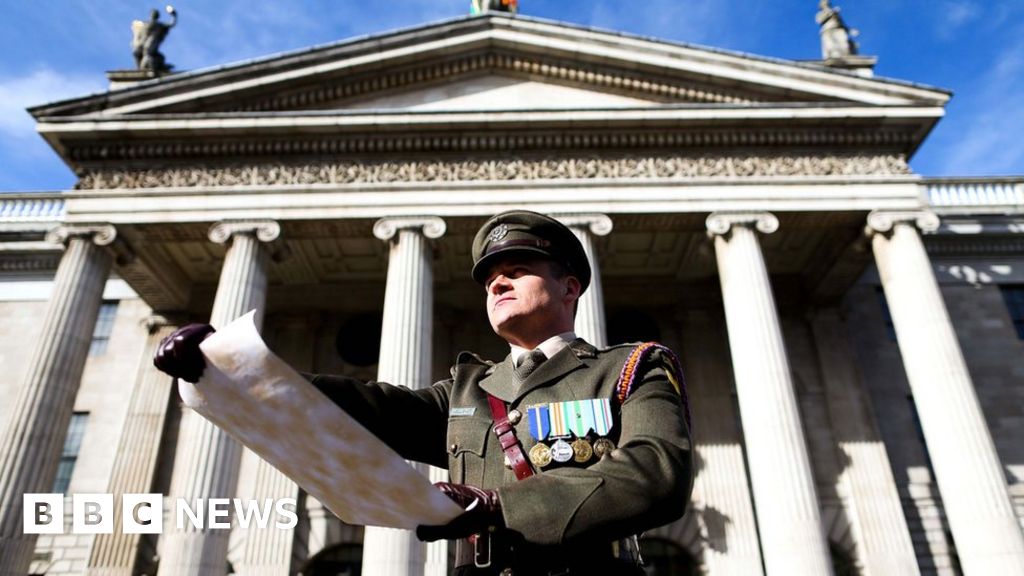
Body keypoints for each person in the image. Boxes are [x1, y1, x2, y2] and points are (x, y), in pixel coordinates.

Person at [155, 210, 693, 575]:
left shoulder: (630, 368)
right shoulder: (469, 390)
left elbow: (656, 472)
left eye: (517, 270)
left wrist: (498, 506)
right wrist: (234, 368)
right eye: (490, 279)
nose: (497, 284)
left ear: (569, 287)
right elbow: (372, 409)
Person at [132, 6, 177, 72]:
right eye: (153, 13)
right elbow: (137, 30)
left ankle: (148, 66)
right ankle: (142, 67)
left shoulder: (159, 25)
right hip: (142, 43)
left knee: (147, 51)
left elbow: (171, 24)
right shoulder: (145, 24)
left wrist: (174, 16)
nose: (154, 15)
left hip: (151, 43)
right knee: (137, 53)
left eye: (155, 14)